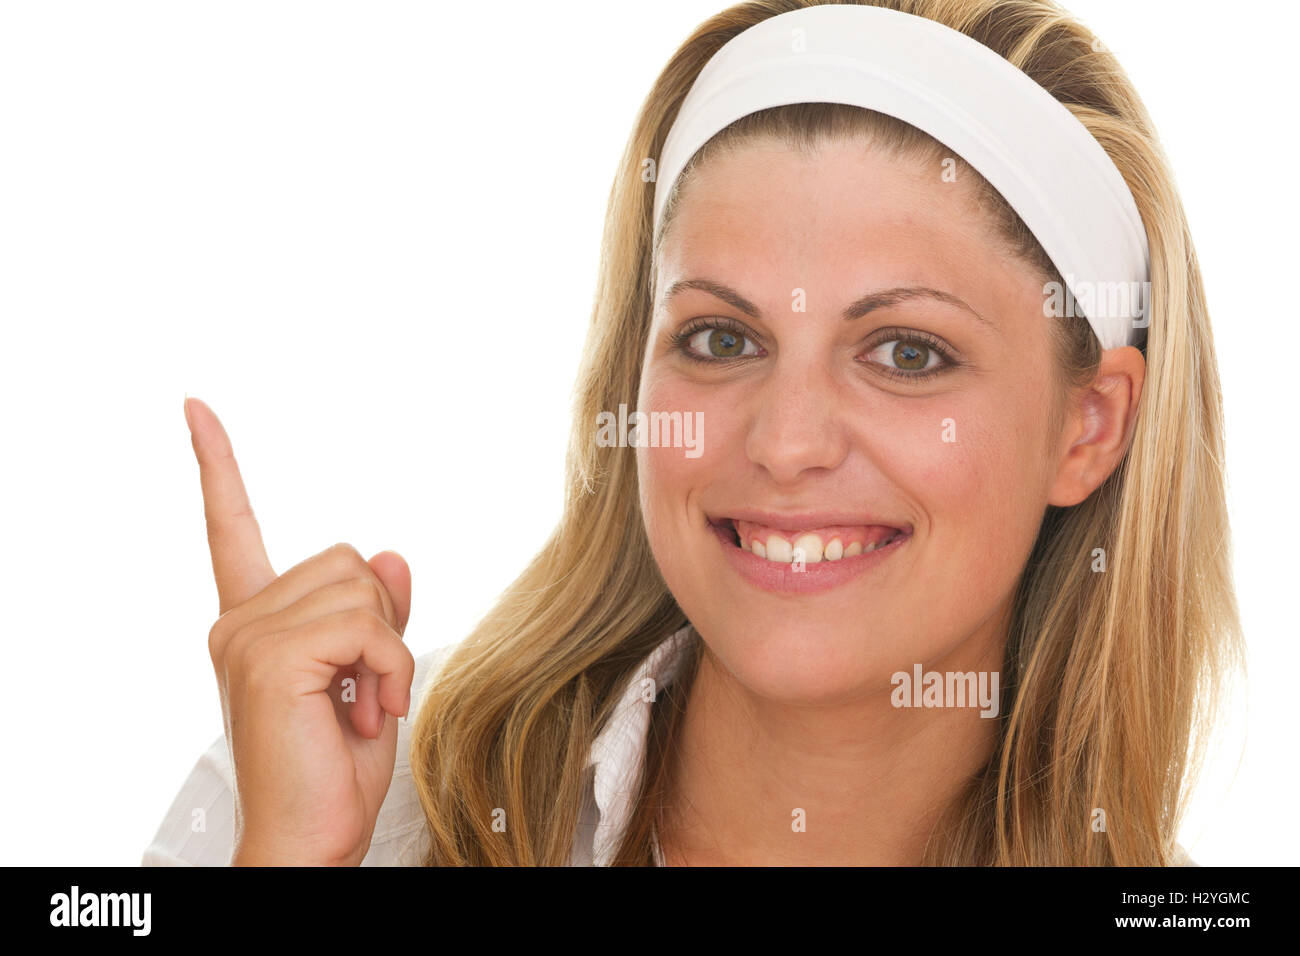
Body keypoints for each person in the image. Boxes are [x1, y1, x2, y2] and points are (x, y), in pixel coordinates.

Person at [145, 0, 1239, 867]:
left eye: (907, 352)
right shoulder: (345, 788)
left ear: (1087, 427)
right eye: (721, 338)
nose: (785, 441)